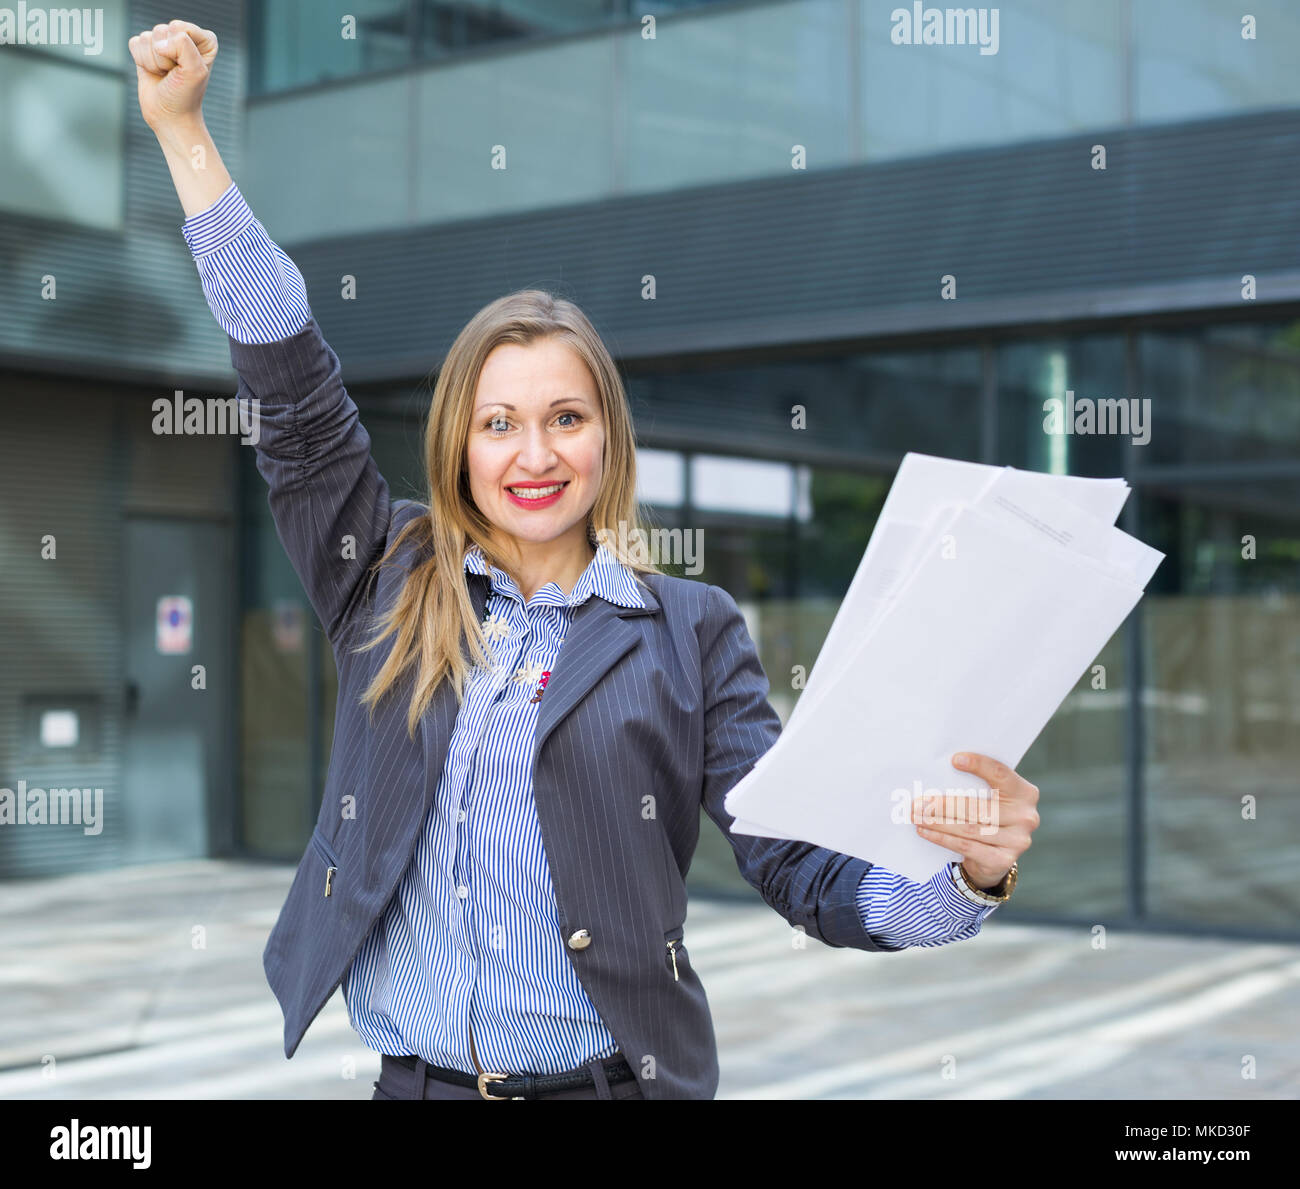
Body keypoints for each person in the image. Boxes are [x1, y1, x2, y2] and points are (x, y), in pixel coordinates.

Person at [130, 19, 1041, 1101]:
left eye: (564, 417)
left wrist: (970, 873)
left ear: (606, 436)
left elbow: (797, 862)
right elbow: (290, 385)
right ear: (458, 447)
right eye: (498, 423)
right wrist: (184, 132)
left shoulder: (690, 631)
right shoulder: (383, 575)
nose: (533, 453)